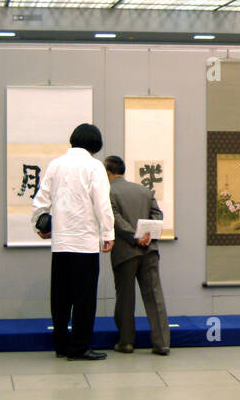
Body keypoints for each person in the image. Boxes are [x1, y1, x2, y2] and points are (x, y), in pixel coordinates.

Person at [31, 124, 114, 361]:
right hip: (85, 243)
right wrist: (108, 234)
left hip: (61, 243)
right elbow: (102, 203)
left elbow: (41, 200)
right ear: (95, 144)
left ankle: (61, 345)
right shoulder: (94, 166)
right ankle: (79, 348)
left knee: (60, 298)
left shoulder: (55, 164)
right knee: (84, 299)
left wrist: (40, 225)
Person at [104, 155, 170, 356]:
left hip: (125, 252)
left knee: (125, 297)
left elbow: (114, 218)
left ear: (108, 172)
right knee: (155, 296)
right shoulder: (144, 190)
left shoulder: (109, 192)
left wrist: (135, 236)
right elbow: (157, 215)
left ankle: (126, 342)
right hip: (149, 250)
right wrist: (147, 234)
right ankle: (162, 343)